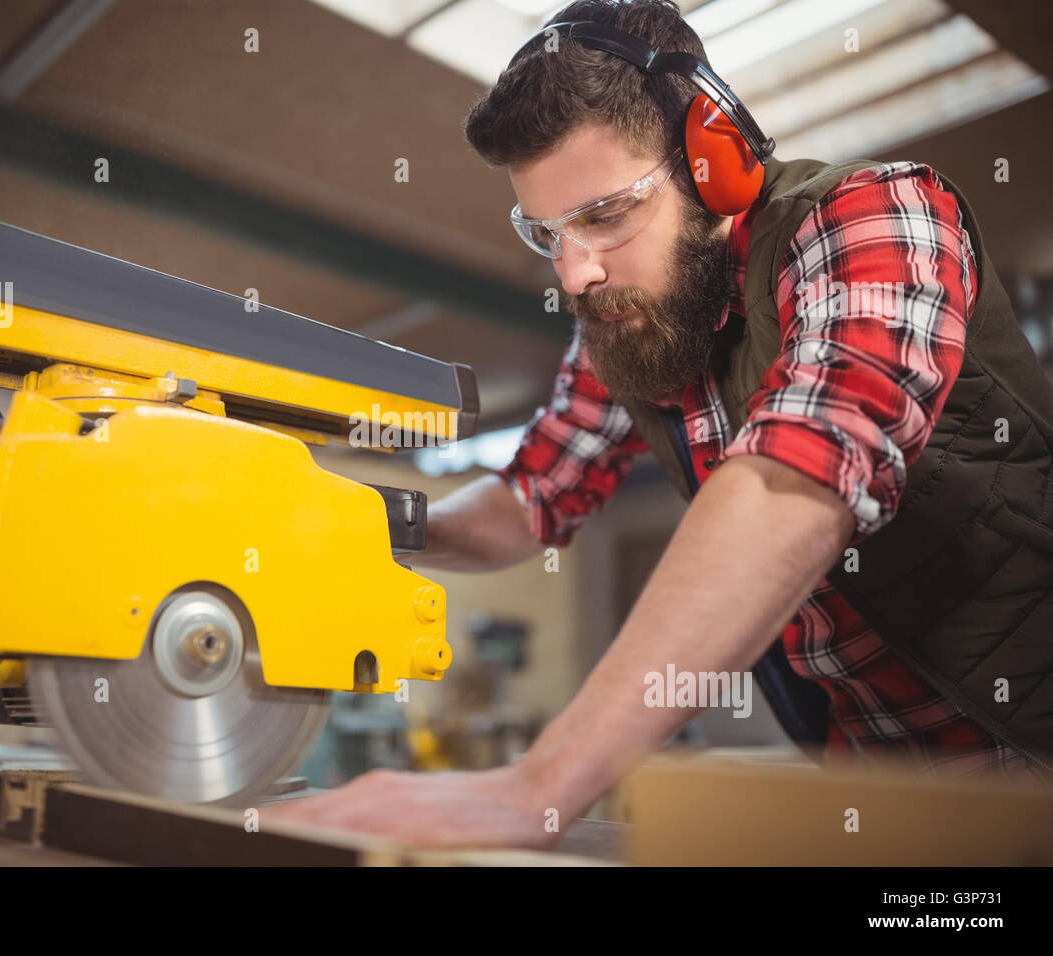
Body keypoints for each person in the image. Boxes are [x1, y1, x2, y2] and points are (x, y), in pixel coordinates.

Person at [264, 0, 1053, 849]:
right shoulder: (637, 321)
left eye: (604, 215)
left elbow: (805, 471)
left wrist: (538, 787)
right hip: (883, 801)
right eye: (547, 233)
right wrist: (349, 519)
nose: (577, 273)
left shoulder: (874, 219)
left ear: (715, 165)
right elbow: (530, 497)